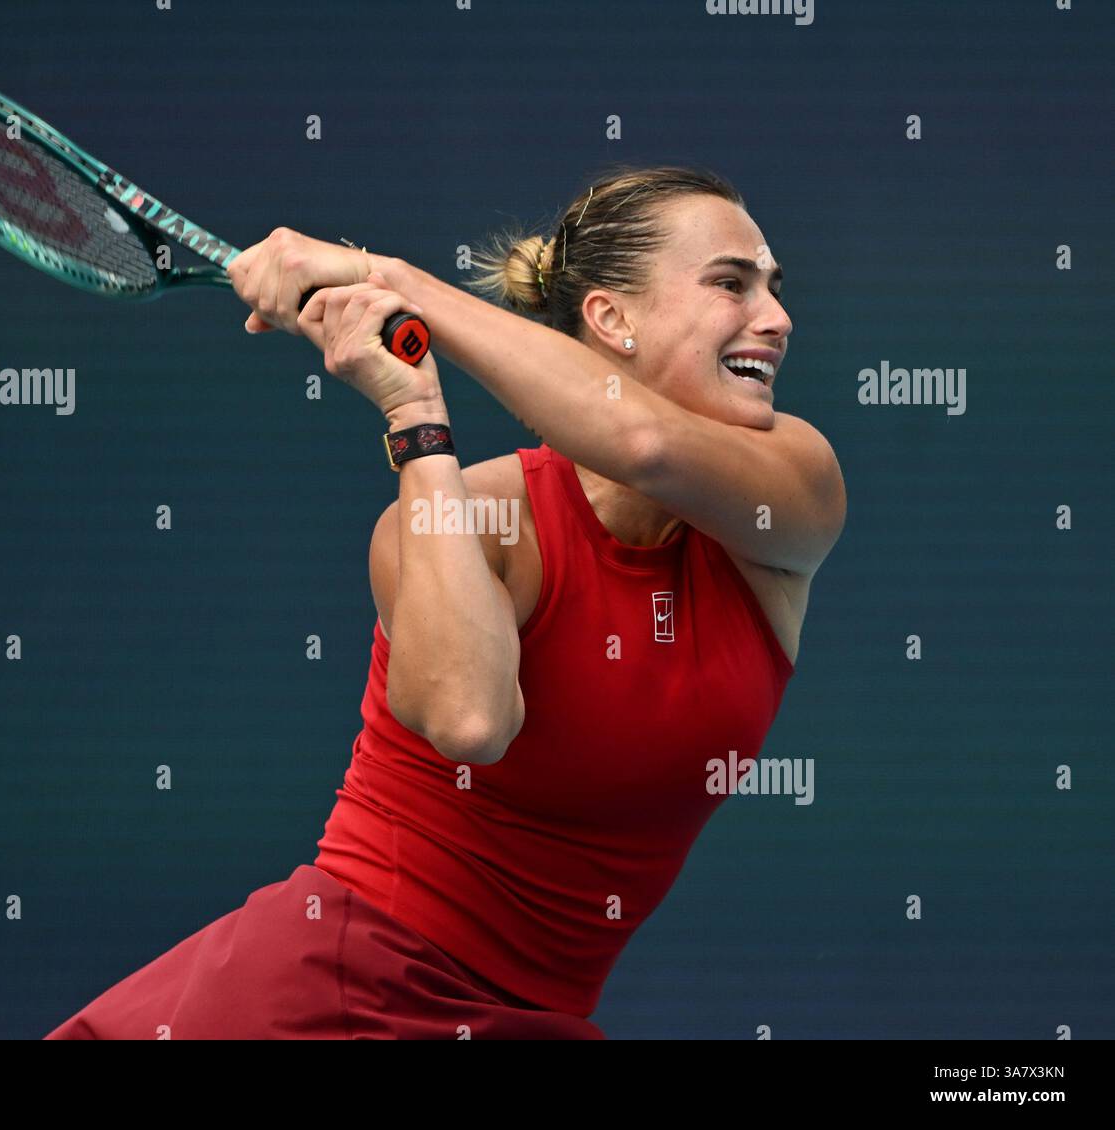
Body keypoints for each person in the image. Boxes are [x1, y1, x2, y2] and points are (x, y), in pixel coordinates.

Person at [44, 164, 845, 1040]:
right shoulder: (480, 520)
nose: (776, 318)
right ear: (611, 319)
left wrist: (388, 278)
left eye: (774, 287)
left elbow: (642, 440)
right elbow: (470, 721)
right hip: (326, 991)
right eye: (732, 284)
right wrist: (415, 411)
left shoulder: (791, 487)